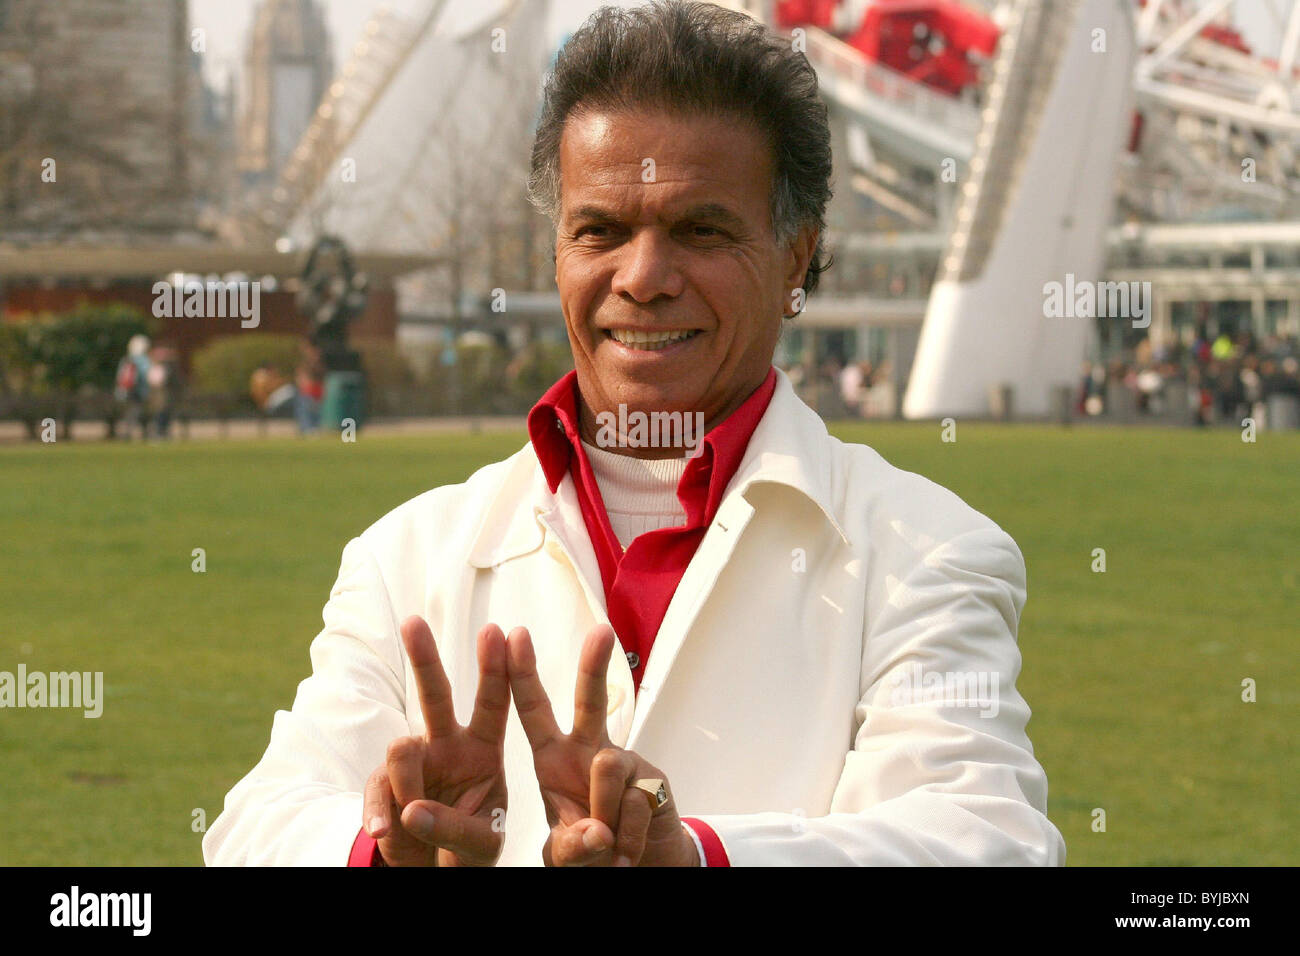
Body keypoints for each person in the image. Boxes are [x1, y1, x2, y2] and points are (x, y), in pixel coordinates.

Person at [205, 0, 1064, 867]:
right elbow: (253, 829)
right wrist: (382, 851)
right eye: (600, 231)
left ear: (797, 256)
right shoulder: (406, 559)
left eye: (701, 230)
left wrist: (696, 859)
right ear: (556, 252)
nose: (644, 277)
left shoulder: (931, 552)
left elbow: (985, 838)